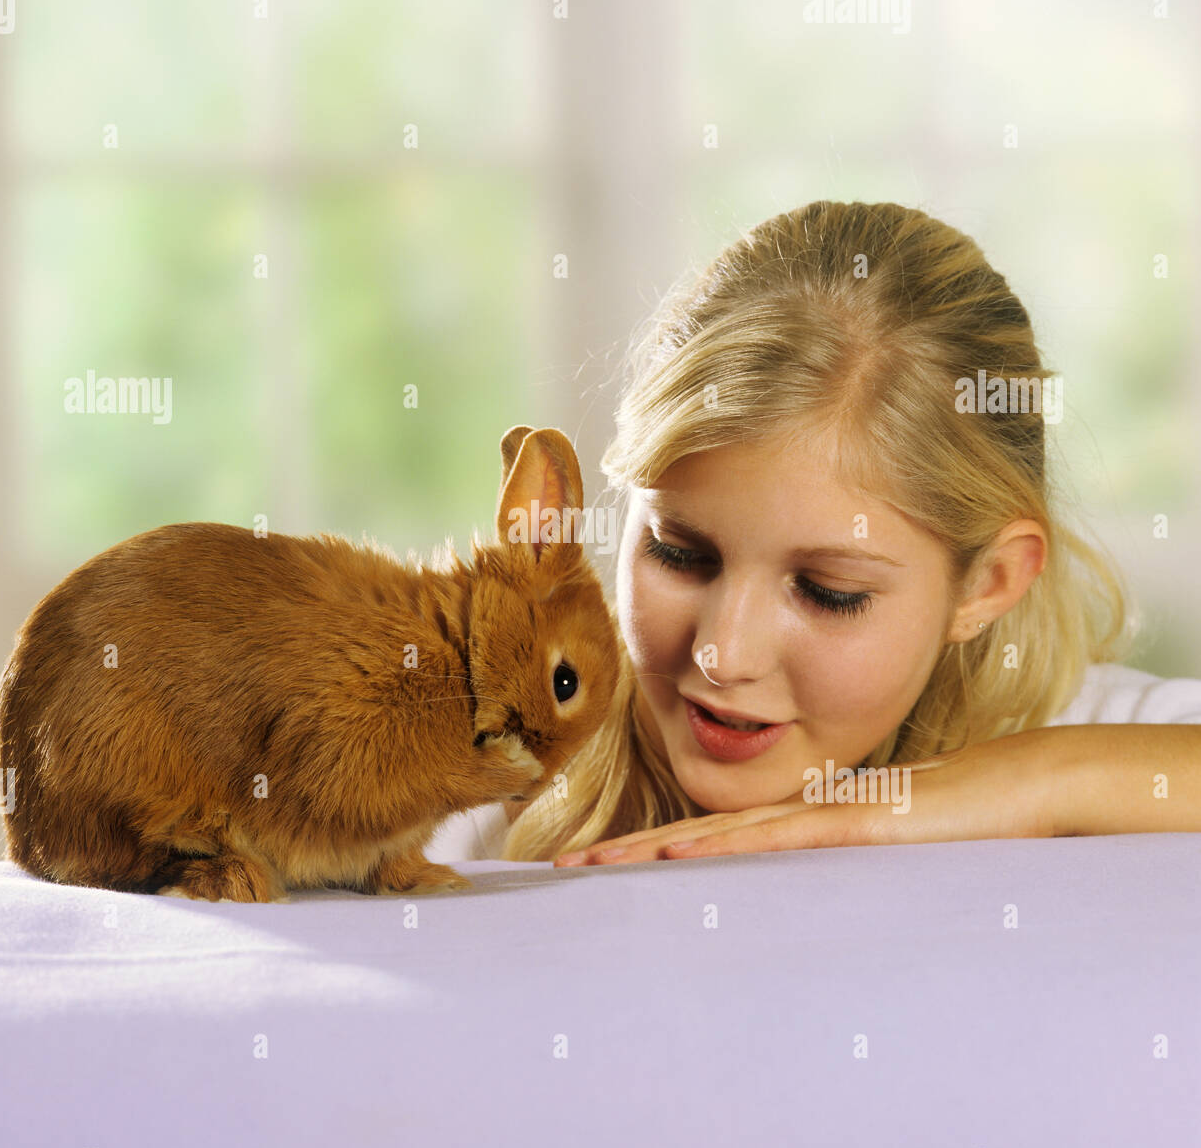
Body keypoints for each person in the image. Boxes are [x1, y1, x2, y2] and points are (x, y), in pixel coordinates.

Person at [427, 200, 1201, 869]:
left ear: (987, 583)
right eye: (679, 553)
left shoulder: (1106, 739)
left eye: (828, 592)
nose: (722, 655)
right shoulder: (475, 774)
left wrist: (1038, 781)